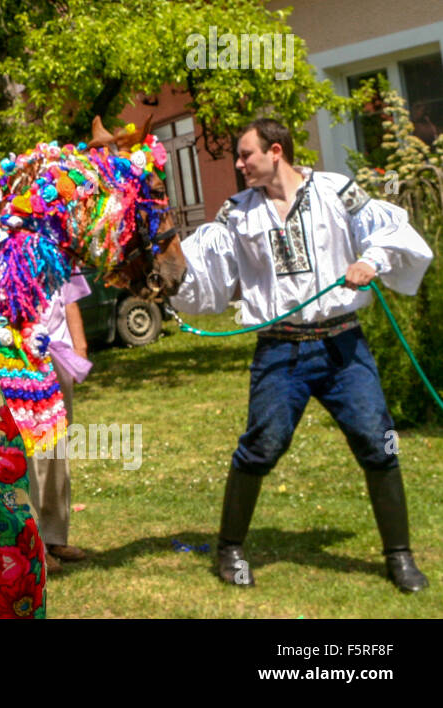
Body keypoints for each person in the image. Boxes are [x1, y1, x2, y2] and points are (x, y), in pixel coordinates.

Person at [168, 118, 433, 592]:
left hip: (343, 346)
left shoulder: (337, 190)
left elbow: (389, 229)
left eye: (246, 154)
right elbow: (206, 269)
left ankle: (400, 555)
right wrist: (165, 272)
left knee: (381, 441)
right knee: (260, 447)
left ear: (276, 151)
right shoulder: (237, 212)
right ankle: (230, 548)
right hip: (280, 352)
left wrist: (371, 260)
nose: (239, 163)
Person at [27, 277, 92, 574]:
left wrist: (80, 350)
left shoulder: (52, 247)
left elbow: (70, 300)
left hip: (60, 358)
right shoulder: (2, 244)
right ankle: (35, 544)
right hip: (24, 364)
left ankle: (55, 537)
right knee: (35, 457)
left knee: (58, 451)